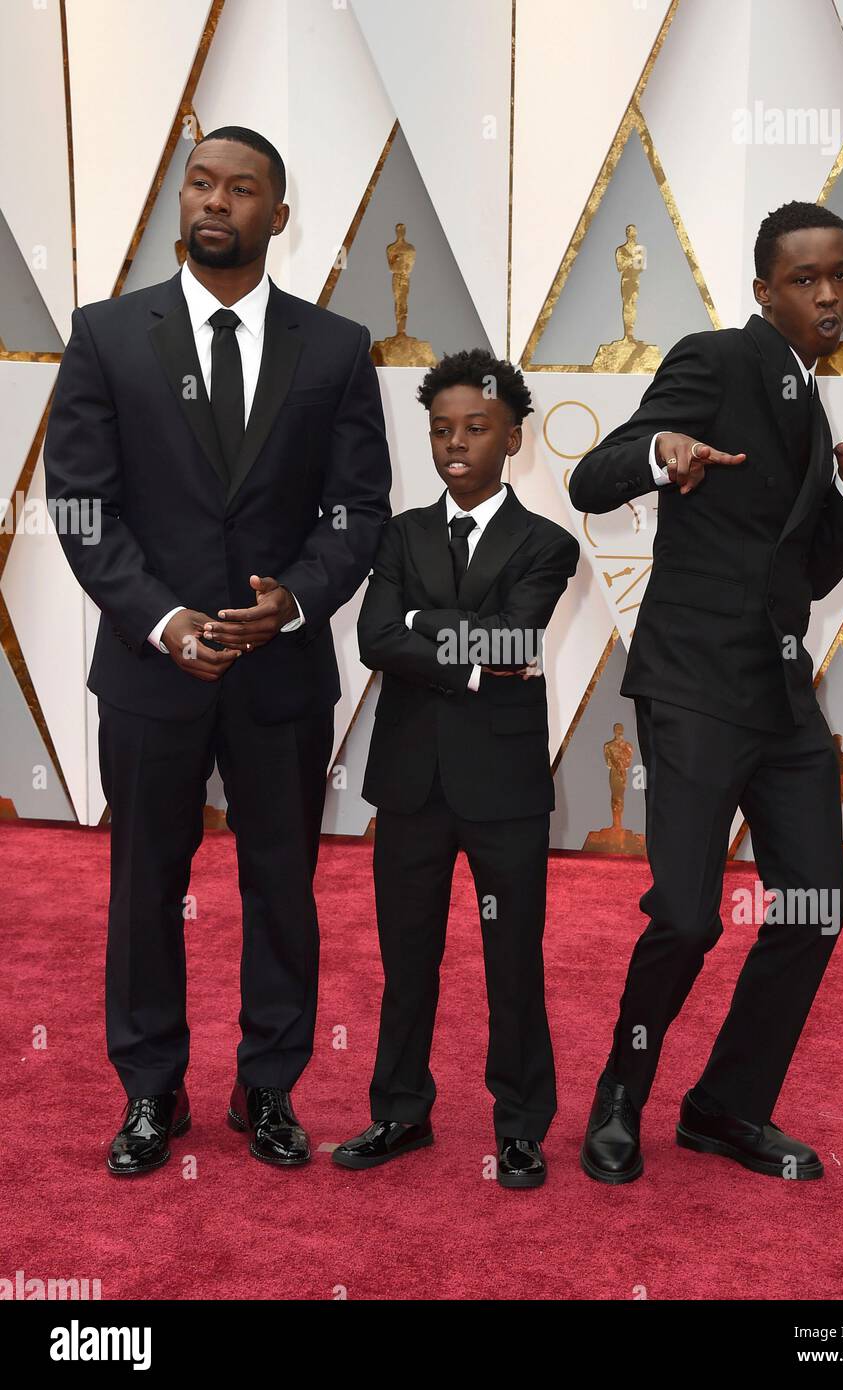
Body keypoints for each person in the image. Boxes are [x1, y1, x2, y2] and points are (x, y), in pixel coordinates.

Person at [44, 126, 391, 1175]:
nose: (217, 201)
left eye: (243, 189)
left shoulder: (334, 347)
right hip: (151, 669)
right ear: (180, 200)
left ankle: (269, 1087)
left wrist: (293, 602)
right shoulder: (107, 335)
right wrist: (162, 619)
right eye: (201, 182)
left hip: (281, 670)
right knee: (145, 882)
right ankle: (151, 1093)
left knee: (281, 882)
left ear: (276, 216)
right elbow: (83, 506)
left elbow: (359, 508)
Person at [569, 201, 843, 1184]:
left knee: (813, 907)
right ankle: (619, 1096)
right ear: (764, 292)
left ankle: (723, 1109)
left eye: (840, 274)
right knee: (688, 914)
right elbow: (591, 477)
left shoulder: (811, 398)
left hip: (782, 698)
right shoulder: (713, 359)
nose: (830, 293)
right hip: (697, 685)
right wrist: (658, 456)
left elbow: (810, 576)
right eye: (806, 278)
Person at [332, 350, 580, 1188]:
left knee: (515, 959)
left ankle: (520, 1124)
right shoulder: (398, 531)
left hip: (503, 792)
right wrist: (473, 654)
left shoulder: (549, 543)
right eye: (441, 430)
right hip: (409, 785)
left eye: (476, 429)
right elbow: (373, 639)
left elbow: (518, 637)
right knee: (407, 959)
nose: (454, 445)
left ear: (513, 436)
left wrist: (421, 626)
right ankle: (399, 1112)